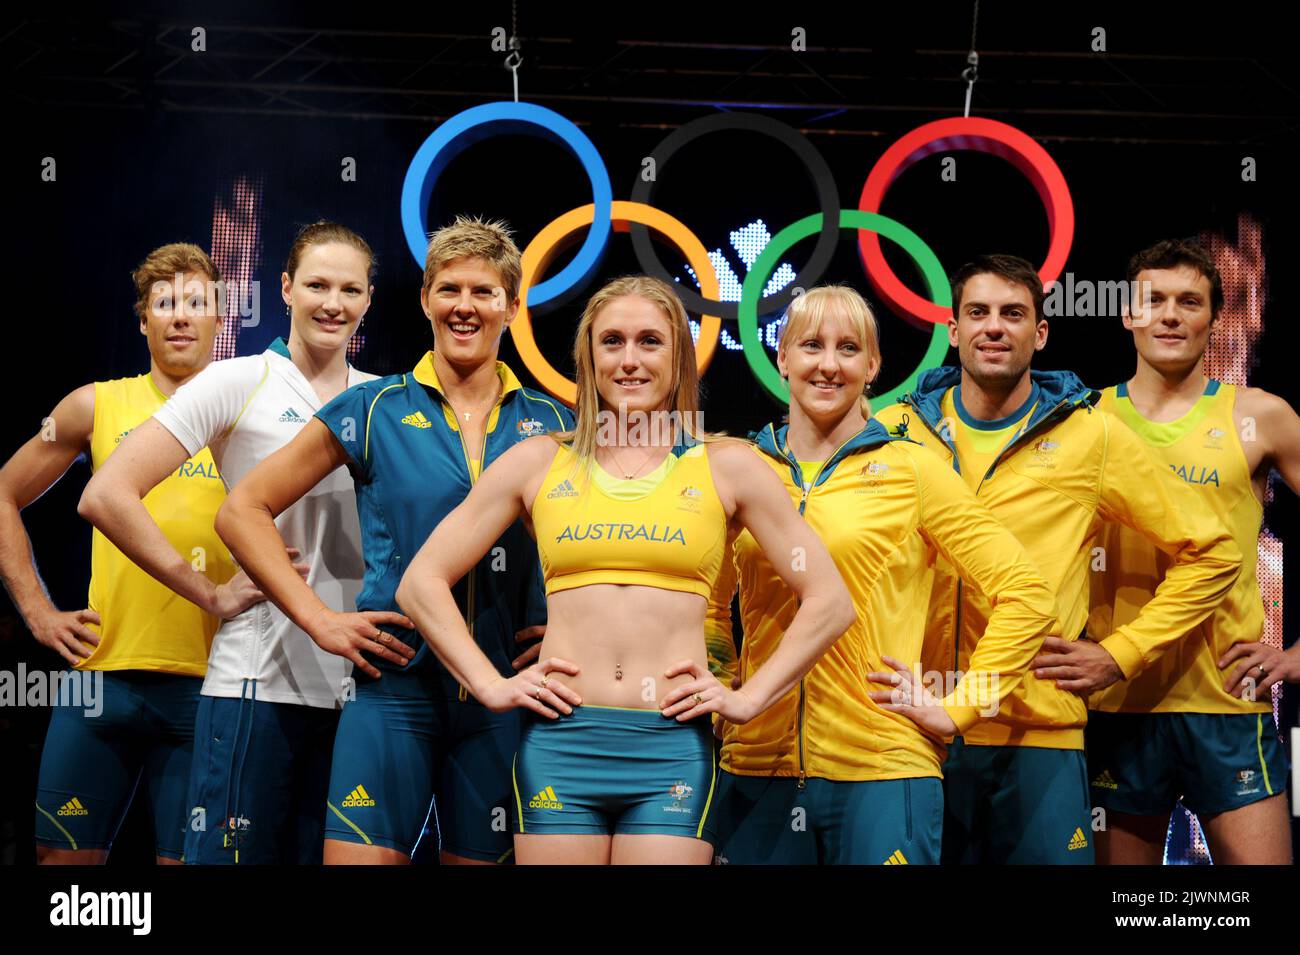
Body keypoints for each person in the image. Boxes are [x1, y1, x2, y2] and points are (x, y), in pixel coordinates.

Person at [395, 274, 856, 865]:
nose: (630, 360)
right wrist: (491, 685)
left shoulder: (726, 465)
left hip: (670, 748)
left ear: (678, 358)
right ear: (588, 357)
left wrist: (748, 699)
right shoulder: (539, 462)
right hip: (560, 745)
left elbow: (829, 599)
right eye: (612, 342)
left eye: (650, 342)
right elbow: (421, 582)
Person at [216, 217, 572, 865]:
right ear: (425, 298)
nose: (465, 306)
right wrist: (319, 619)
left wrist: (577, 629)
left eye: (485, 292)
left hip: (506, 698)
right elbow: (242, 509)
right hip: (394, 693)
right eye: (450, 289)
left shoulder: (554, 422)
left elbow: (602, 548)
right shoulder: (373, 407)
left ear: (512, 306)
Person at [874, 254, 1241, 864]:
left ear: (1040, 333)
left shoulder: (1089, 435)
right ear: (953, 330)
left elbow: (1214, 551)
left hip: (1039, 732)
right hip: (912, 733)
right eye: (979, 313)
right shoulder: (894, 430)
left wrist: (1121, 653)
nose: (995, 327)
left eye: (1014, 314)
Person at [78, 222, 408, 864]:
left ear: (369, 300)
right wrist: (207, 591)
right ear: (285, 288)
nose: (332, 303)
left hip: (360, 694)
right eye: (316, 284)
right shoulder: (238, 380)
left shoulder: (383, 400)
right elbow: (107, 494)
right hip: (257, 685)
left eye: (350, 289)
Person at [710, 285, 1058, 865]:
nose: (828, 364)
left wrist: (959, 707)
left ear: (872, 366)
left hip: (881, 767)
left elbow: (1025, 593)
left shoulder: (912, 469)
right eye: (811, 346)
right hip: (755, 767)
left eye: (848, 349)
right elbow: (705, 603)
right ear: (782, 358)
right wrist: (723, 689)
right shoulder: (741, 468)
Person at [0, 243, 244, 863]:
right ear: (143, 321)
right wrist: (38, 610)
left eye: (197, 303)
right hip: (101, 682)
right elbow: (3, 493)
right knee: (60, 863)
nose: (181, 316)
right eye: (165, 303)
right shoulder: (94, 405)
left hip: (211, 687)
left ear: (222, 319)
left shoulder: (248, 414)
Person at [1085, 238, 1297, 864]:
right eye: (1154, 300)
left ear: (1214, 317)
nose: (1170, 315)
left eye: (1189, 301)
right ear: (1128, 314)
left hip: (1229, 704)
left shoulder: (1259, 416)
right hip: (1119, 702)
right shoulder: (1085, 421)